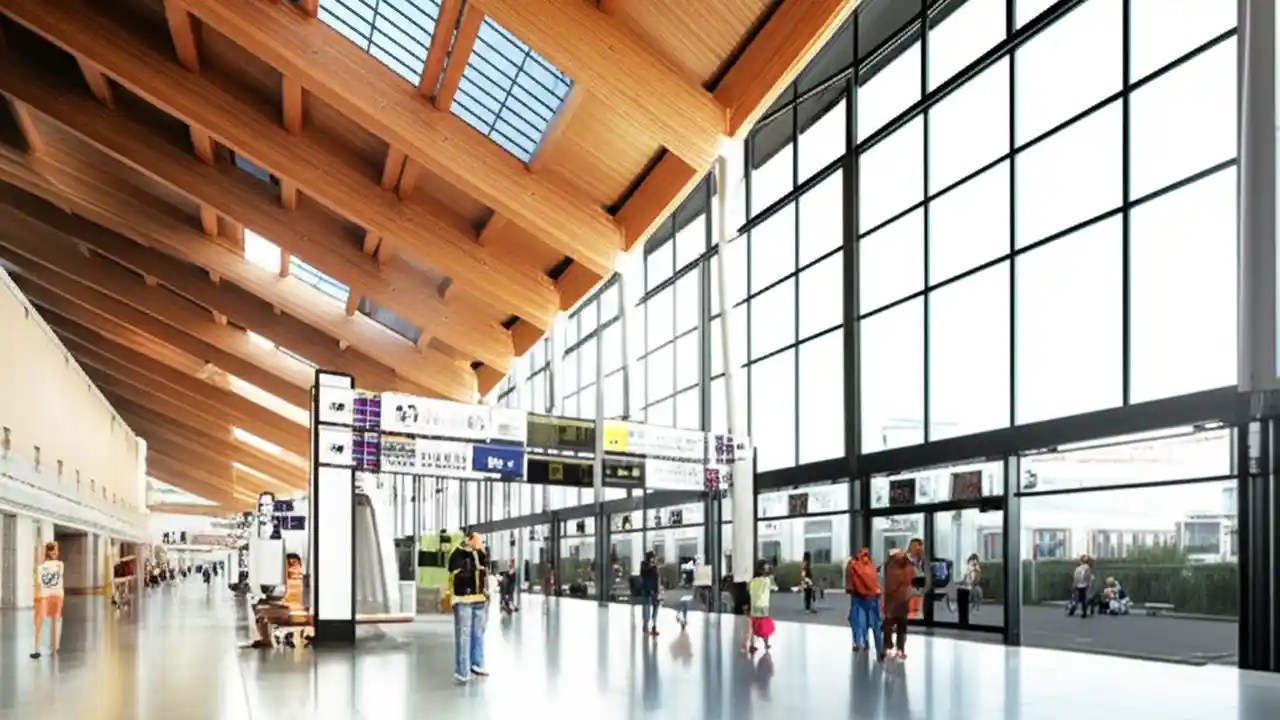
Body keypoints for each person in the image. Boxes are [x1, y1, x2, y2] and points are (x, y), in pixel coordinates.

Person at [448, 532, 489, 684]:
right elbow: (453, 569)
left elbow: (485, 569)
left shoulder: (481, 553)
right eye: (478, 540)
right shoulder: (458, 552)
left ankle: (477, 664)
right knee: (464, 635)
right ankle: (462, 671)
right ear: (469, 539)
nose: (481, 543)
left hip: (480, 598)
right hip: (463, 599)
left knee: (478, 633)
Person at [845, 548, 884, 659]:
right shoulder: (870, 566)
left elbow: (850, 583)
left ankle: (861, 642)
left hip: (859, 598)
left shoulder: (853, 565)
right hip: (871, 599)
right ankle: (879, 649)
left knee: (860, 623)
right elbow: (873, 582)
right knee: (875, 625)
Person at [31, 541, 64, 659]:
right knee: (52, 623)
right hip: (53, 596)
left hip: (47, 596)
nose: (56, 553)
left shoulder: (43, 567)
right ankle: (51, 649)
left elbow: (40, 581)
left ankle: (41, 648)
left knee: (43, 623)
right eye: (54, 550)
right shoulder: (58, 565)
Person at [882, 547, 915, 661]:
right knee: (902, 627)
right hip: (903, 602)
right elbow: (911, 576)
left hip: (891, 602)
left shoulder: (889, 566)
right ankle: (900, 649)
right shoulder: (907, 566)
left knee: (888, 626)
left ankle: (886, 647)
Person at [743, 561, 776, 654]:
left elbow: (748, 589)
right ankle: (766, 644)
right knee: (765, 625)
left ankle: (752, 645)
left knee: (754, 625)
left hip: (754, 605)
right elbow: (774, 587)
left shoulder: (752, 581)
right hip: (763, 605)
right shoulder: (766, 580)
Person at [639, 550, 661, 637]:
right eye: (653, 557)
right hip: (647, 589)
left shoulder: (655, 567)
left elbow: (657, 579)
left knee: (655, 608)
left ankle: (654, 626)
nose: (654, 559)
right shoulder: (644, 565)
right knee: (646, 607)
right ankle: (646, 625)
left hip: (654, 590)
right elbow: (643, 574)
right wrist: (652, 566)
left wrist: (658, 590)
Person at [906, 538, 926, 619]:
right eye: (914, 546)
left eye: (919, 546)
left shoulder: (923, 560)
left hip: (920, 591)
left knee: (919, 613)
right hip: (909, 590)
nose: (917, 549)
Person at [1069, 554, 1094, 619]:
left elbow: (1075, 577)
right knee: (1084, 599)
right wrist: (1089, 584)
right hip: (1085, 585)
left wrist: (1074, 584)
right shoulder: (1088, 568)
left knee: (1076, 598)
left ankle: (1072, 610)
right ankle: (1084, 612)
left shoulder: (1078, 568)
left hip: (1078, 585)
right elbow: (1088, 577)